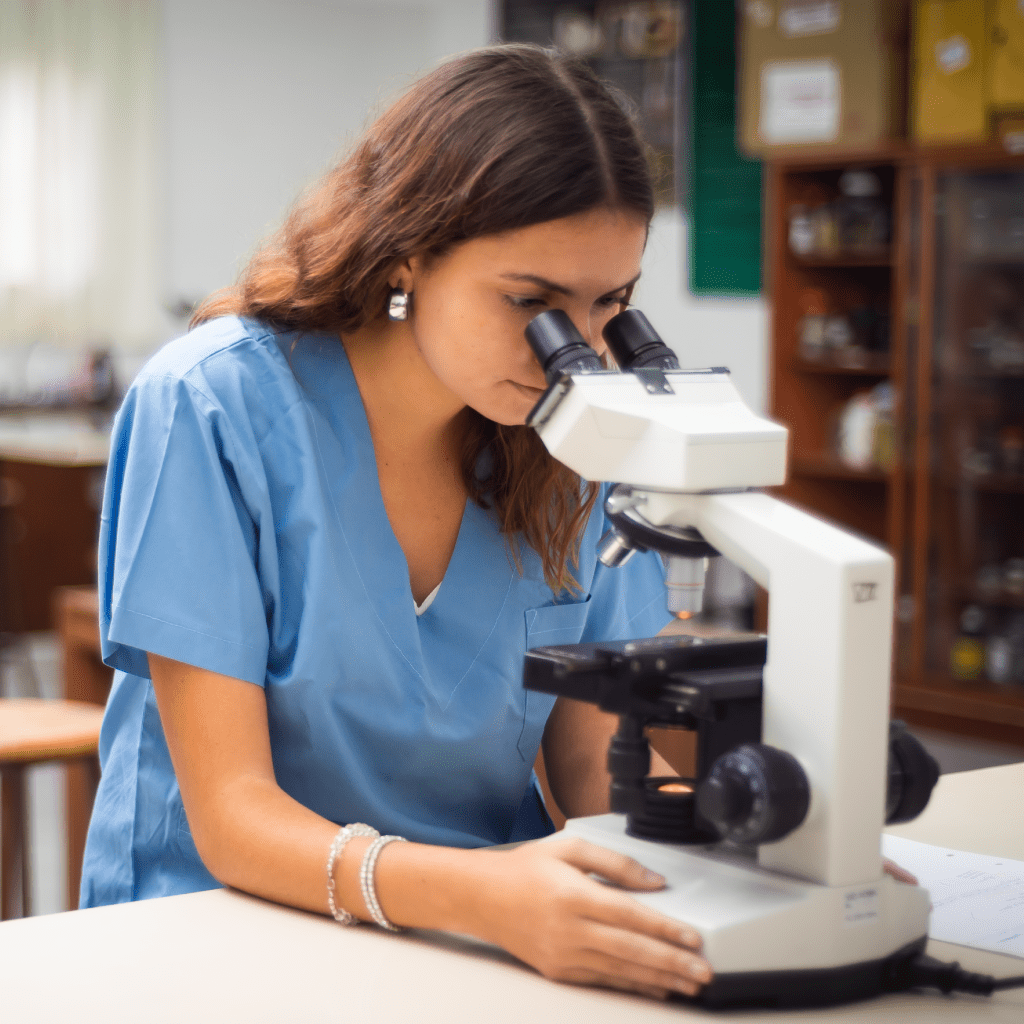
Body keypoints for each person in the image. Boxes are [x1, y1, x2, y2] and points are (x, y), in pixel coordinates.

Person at [79, 43, 714, 1001]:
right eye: (532, 304)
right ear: (413, 248)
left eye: (610, 306)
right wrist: (481, 894)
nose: (572, 354)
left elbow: (593, 761)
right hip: (217, 936)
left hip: (482, 942)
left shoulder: (578, 440)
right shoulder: (213, 406)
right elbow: (231, 813)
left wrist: (745, 868)